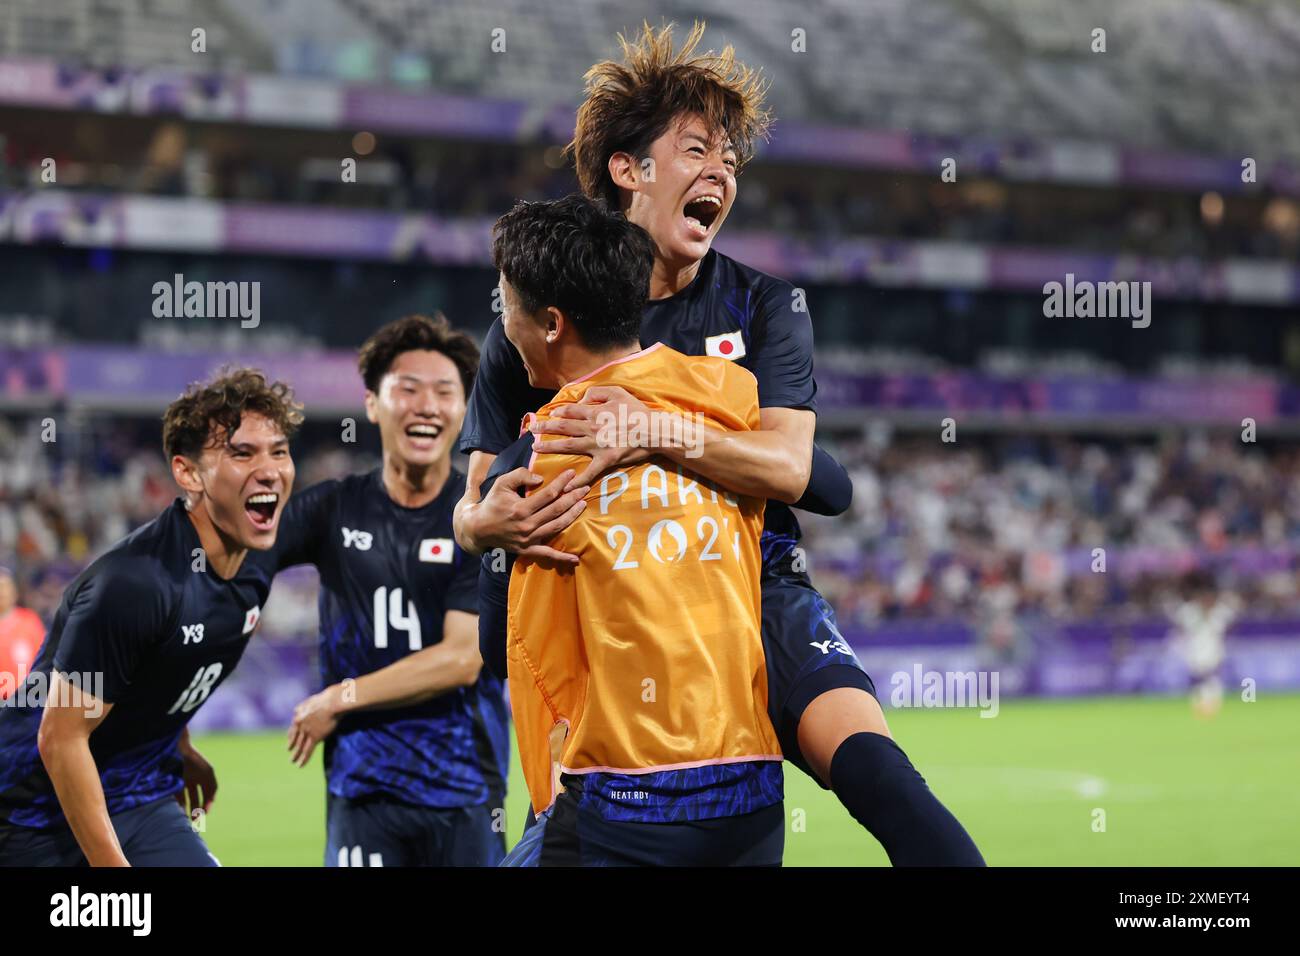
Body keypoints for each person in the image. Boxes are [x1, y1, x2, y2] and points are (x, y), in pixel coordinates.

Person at [456, 21, 982, 865]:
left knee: (885, 782)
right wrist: (485, 526)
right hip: (610, 612)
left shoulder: (765, 305)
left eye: (731, 158)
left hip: (755, 583)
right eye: (697, 148)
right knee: (565, 829)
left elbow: (793, 469)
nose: (722, 171)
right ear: (628, 170)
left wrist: (655, 433)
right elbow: (476, 504)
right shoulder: (543, 315)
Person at [484, 194, 783, 865]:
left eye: (504, 304)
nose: (503, 325)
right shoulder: (730, 397)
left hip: (622, 794)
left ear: (552, 323)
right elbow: (807, 477)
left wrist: (479, 527)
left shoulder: (551, 450)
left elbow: (533, 649)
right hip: (752, 786)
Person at [0, 369, 299, 866]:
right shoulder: (134, 585)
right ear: (188, 473)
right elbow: (59, 738)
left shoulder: (256, 562)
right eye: (242, 453)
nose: (269, 469)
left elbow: (164, 669)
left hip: (137, 795)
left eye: (279, 450)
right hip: (29, 812)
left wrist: (178, 746)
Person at [263, 314, 508, 867]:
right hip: (364, 791)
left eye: (445, 392)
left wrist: (339, 697)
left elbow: (461, 659)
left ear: (463, 410)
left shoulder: (480, 515)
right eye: (407, 389)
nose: (427, 405)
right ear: (373, 404)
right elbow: (244, 559)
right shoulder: (331, 507)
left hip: (463, 791)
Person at [0, 567, 45, 701]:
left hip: (22, 702)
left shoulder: (30, 621)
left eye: (5, 587)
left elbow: (43, 660)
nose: (1, 592)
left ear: (15, 592)